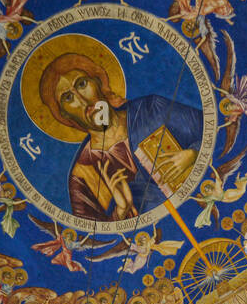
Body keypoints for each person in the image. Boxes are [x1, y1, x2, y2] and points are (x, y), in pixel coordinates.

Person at [35, 52, 202, 221]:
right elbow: (96, 240)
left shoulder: (151, 109)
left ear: (98, 82)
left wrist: (193, 154)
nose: (82, 99)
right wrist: (120, 213)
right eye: (68, 97)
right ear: (65, 115)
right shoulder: (83, 176)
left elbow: (213, 131)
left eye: (82, 84)